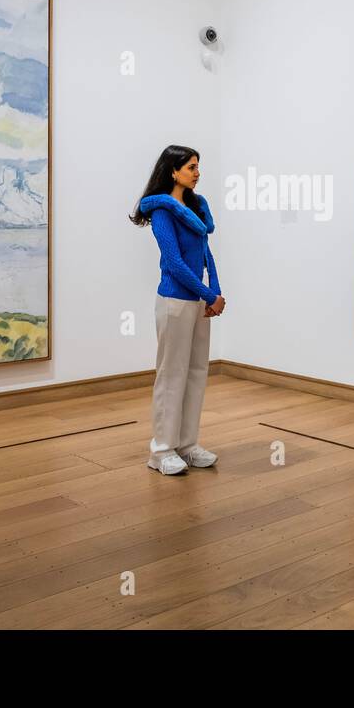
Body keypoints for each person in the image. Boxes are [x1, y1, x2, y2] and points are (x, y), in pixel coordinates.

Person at [129, 145, 226, 476]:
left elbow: (205, 254)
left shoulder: (196, 207)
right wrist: (207, 293)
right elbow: (174, 262)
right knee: (171, 374)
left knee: (197, 370)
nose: (197, 173)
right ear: (173, 171)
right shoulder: (162, 212)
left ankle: (186, 445)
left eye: (198, 167)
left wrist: (215, 290)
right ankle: (161, 449)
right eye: (191, 167)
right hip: (174, 301)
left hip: (199, 300)